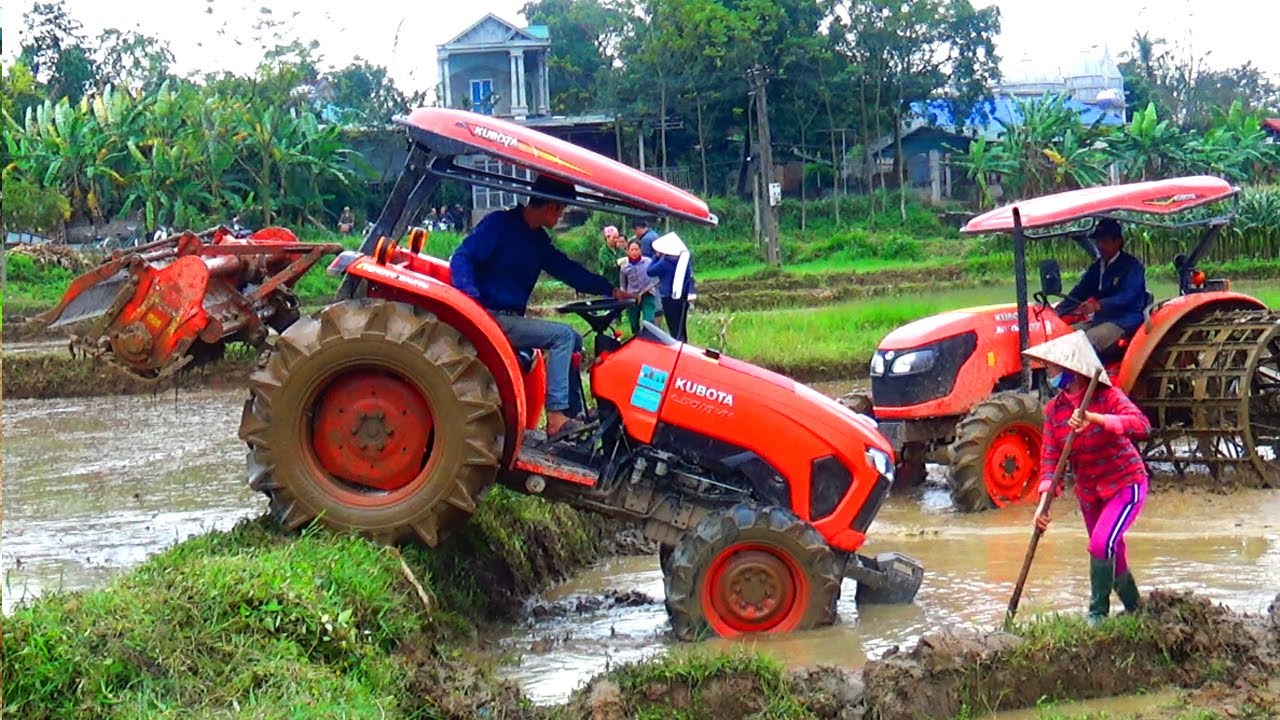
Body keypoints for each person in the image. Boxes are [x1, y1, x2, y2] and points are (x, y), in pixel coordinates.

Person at [450, 175, 627, 439]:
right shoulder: (499, 224)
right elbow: (463, 257)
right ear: (552, 207)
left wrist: (608, 289)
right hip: (490, 316)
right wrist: (472, 300)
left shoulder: (537, 240)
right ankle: (555, 418)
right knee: (562, 335)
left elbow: (566, 269)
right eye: (562, 210)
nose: (561, 216)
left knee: (574, 339)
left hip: (509, 318)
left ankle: (571, 413)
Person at [1026, 331, 1151, 624]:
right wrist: (1042, 505)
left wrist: (1095, 419)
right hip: (1090, 493)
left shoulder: (1107, 397)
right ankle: (1137, 611)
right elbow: (1050, 459)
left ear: (1072, 370)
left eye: (1054, 369)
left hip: (1125, 484)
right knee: (1112, 551)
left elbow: (1141, 425)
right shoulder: (1054, 411)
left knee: (1100, 544)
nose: (1049, 374)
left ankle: (1097, 613)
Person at [1055, 218, 1147, 354]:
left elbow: (1127, 296)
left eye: (1104, 241)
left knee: (1086, 341)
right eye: (1098, 241)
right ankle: (1057, 374)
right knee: (1063, 335)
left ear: (1117, 242)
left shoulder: (1132, 266)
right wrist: (1057, 312)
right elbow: (1080, 291)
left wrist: (1099, 305)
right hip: (1101, 319)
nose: (1100, 246)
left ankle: (1087, 375)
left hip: (1124, 322)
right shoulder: (1098, 266)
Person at [647, 232, 696, 342]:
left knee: (673, 326)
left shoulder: (664, 262)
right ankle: (684, 344)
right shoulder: (684, 261)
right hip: (682, 297)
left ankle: (677, 345)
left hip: (668, 297)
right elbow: (689, 277)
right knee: (681, 326)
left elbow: (650, 271)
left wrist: (656, 257)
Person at [619, 239, 658, 335]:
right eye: (632, 250)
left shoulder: (648, 262)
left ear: (640, 250)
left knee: (649, 321)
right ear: (627, 251)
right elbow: (623, 284)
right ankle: (636, 339)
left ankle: (649, 338)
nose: (634, 252)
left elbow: (656, 278)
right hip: (632, 297)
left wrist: (651, 288)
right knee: (633, 322)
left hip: (647, 294)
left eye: (636, 249)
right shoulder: (624, 266)